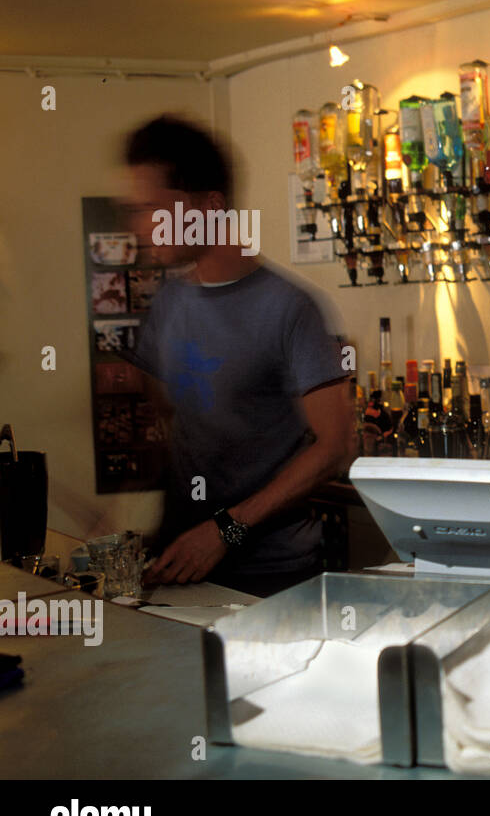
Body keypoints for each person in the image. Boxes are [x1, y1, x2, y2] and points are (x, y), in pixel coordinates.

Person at [120, 115, 355, 597]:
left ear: (211, 206)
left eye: (154, 209)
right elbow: (179, 426)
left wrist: (224, 530)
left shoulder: (290, 308)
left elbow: (335, 447)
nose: (141, 226)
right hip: (181, 569)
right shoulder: (167, 305)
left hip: (273, 581)